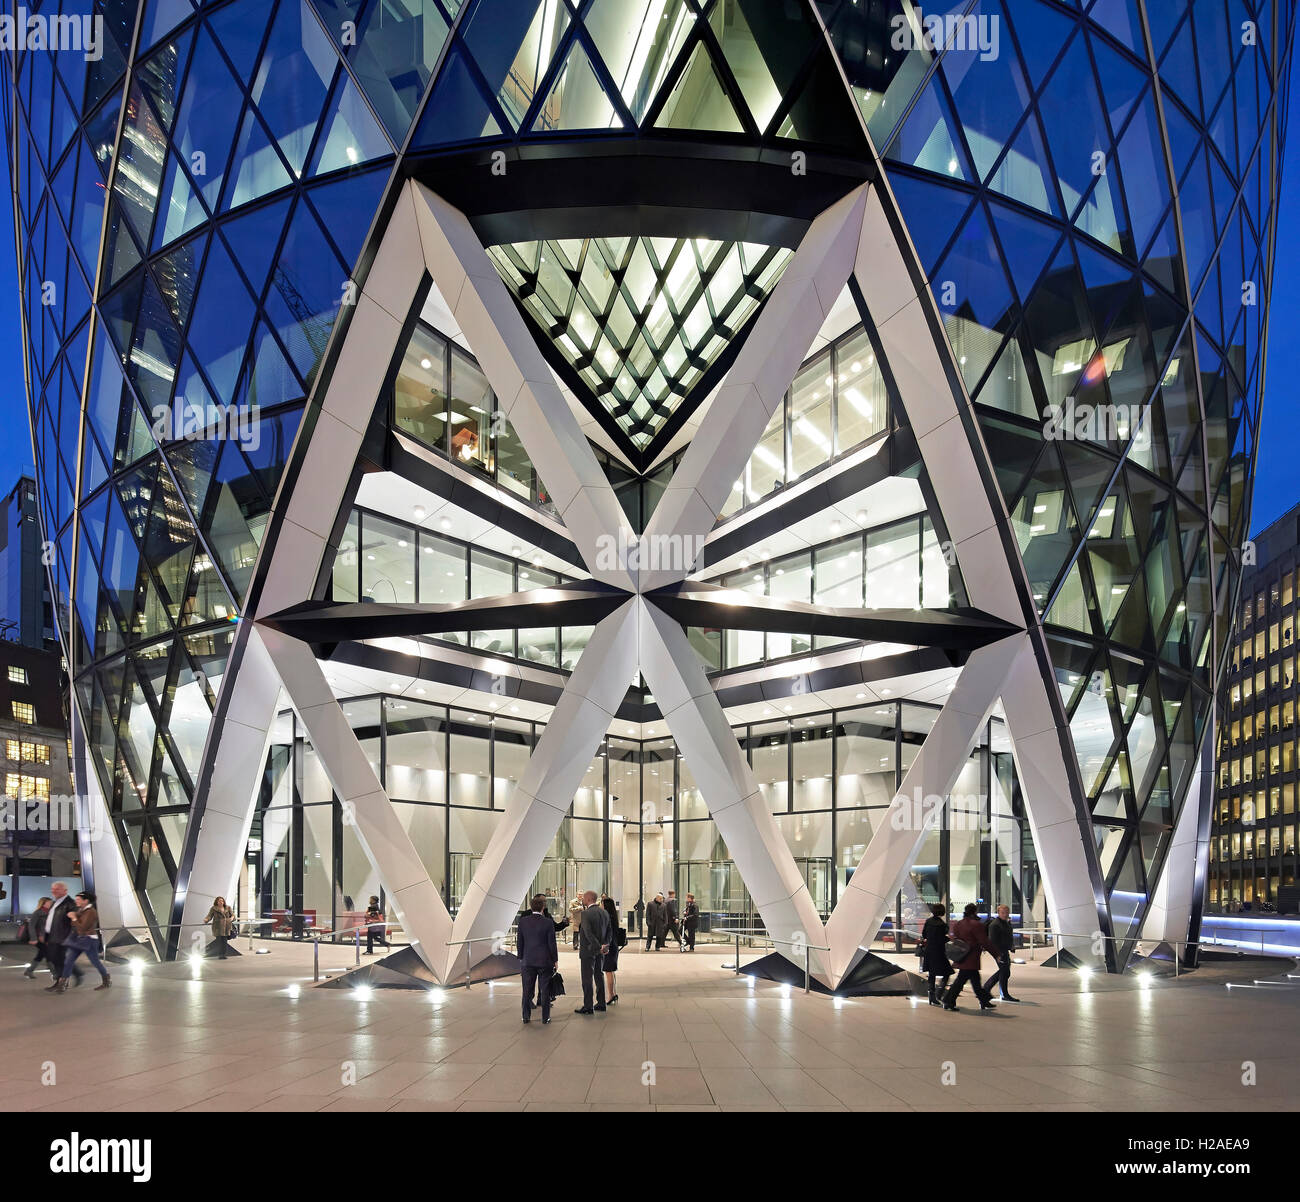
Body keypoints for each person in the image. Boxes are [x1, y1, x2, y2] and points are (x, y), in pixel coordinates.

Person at [942, 903, 998, 1011]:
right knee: (962, 981)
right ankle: (948, 1000)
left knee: (975, 980)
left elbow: (954, 938)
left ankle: (984, 1000)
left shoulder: (959, 924)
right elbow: (984, 941)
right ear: (975, 912)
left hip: (961, 956)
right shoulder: (977, 925)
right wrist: (996, 954)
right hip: (971, 957)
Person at [53, 891, 110, 993]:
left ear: (86, 901)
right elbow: (74, 925)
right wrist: (74, 917)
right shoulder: (81, 910)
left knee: (95, 962)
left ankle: (106, 981)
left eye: (78, 899)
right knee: (68, 961)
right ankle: (63, 984)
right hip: (79, 940)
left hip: (89, 940)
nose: (76, 901)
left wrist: (74, 917)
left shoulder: (91, 912)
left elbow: (82, 928)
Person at [516, 894, 558, 1024]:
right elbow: (552, 943)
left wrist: (521, 956)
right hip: (545, 961)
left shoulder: (523, 922)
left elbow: (520, 941)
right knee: (545, 990)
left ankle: (525, 1016)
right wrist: (555, 960)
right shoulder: (548, 922)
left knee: (527, 990)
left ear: (530, 907)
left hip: (528, 961)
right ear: (543, 907)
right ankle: (545, 1017)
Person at [574, 890, 611, 1015]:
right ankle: (601, 1003)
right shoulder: (604, 912)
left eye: (584, 898)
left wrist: (598, 946)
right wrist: (605, 945)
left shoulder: (585, 914)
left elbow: (588, 933)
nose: (582, 900)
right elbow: (609, 931)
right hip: (601, 951)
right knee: (599, 975)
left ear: (589, 899)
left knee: (587, 978)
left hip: (588, 951)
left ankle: (588, 1006)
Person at [43, 882, 82, 991]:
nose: (54, 891)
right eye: (53, 889)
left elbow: (75, 916)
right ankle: (75, 974)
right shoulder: (55, 903)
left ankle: (61, 983)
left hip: (62, 937)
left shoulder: (70, 903)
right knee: (55, 959)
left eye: (57, 889)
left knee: (59, 959)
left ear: (65, 891)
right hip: (52, 936)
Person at [918, 903, 952, 1006]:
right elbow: (943, 938)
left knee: (932, 974)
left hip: (929, 950)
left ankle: (931, 993)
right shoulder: (942, 924)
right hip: (939, 951)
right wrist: (948, 939)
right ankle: (939, 993)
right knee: (947, 972)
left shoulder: (928, 921)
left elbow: (924, 934)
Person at [983, 904, 1019, 1002]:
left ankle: (995, 991)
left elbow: (1008, 936)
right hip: (999, 951)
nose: (1005, 914)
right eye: (1003, 912)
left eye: (1007, 912)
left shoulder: (1006, 923)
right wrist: (997, 954)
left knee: (1005, 972)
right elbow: (992, 941)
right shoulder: (995, 924)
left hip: (1004, 950)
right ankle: (989, 989)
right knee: (1004, 971)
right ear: (998, 913)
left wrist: (1011, 946)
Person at [601, 896, 624, 1004]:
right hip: (613, 946)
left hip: (609, 947)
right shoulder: (613, 916)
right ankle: (613, 993)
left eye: (601, 904)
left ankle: (610, 995)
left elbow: (606, 934)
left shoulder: (607, 918)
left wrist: (605, 946)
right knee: (611, 971)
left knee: (608, 971)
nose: (600, 906)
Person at [23, 896, 52, 978]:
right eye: (49, 902)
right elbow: (31, 926)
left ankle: (29, 971)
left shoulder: (51, 912)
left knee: (42, 953)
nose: (51, 904)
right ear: (43, 903)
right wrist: (34, 938)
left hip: (47, 937)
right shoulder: (37, 913)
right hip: (39, 937)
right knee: (46, 952)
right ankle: (55, 972)